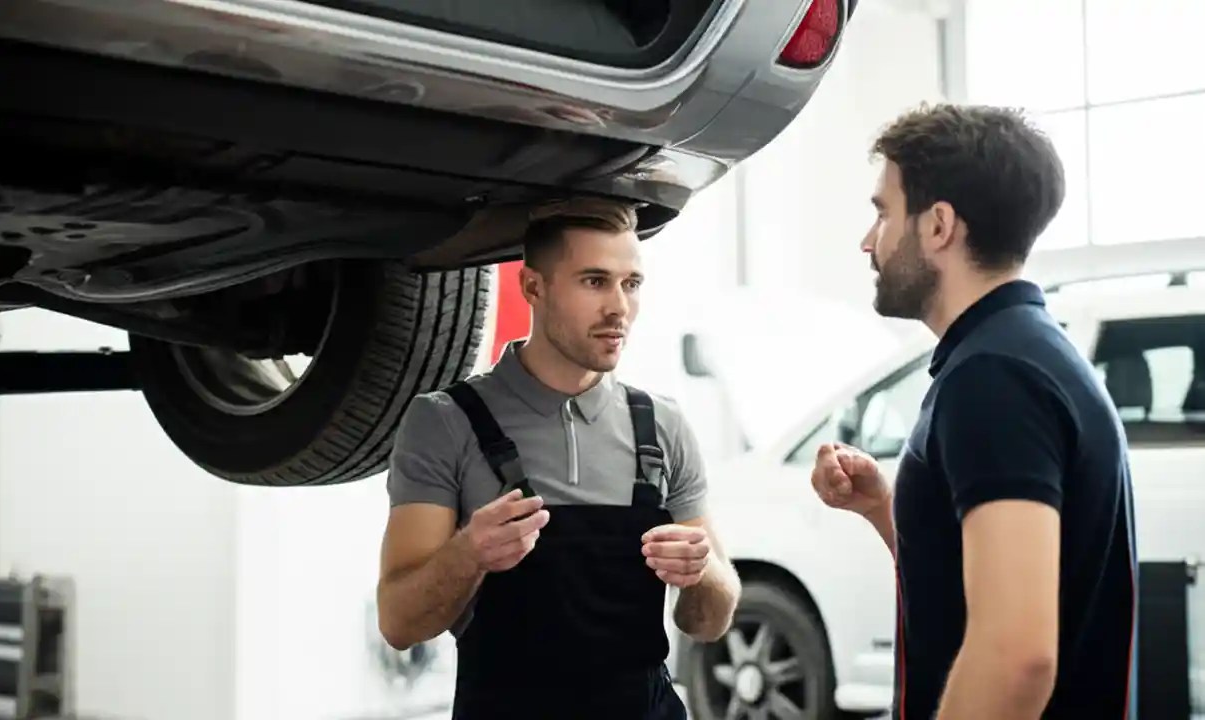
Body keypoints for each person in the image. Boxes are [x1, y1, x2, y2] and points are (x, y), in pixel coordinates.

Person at [810, 104, 1138, 719]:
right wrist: (885, 507)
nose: (868, 241)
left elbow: (1015, 657)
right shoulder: (1024, 353)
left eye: (883, 213)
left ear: (938, 225)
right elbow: (973, 587)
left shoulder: (994, 378)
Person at [375, 197, 742, 720]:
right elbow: (399, 623)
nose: (619, 307)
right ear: (533, 287)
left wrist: (701, 572)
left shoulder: (663, 426)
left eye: (631, 284)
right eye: (595, 281)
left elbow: (709, 621)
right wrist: (470, 553)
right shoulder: (445, 422)